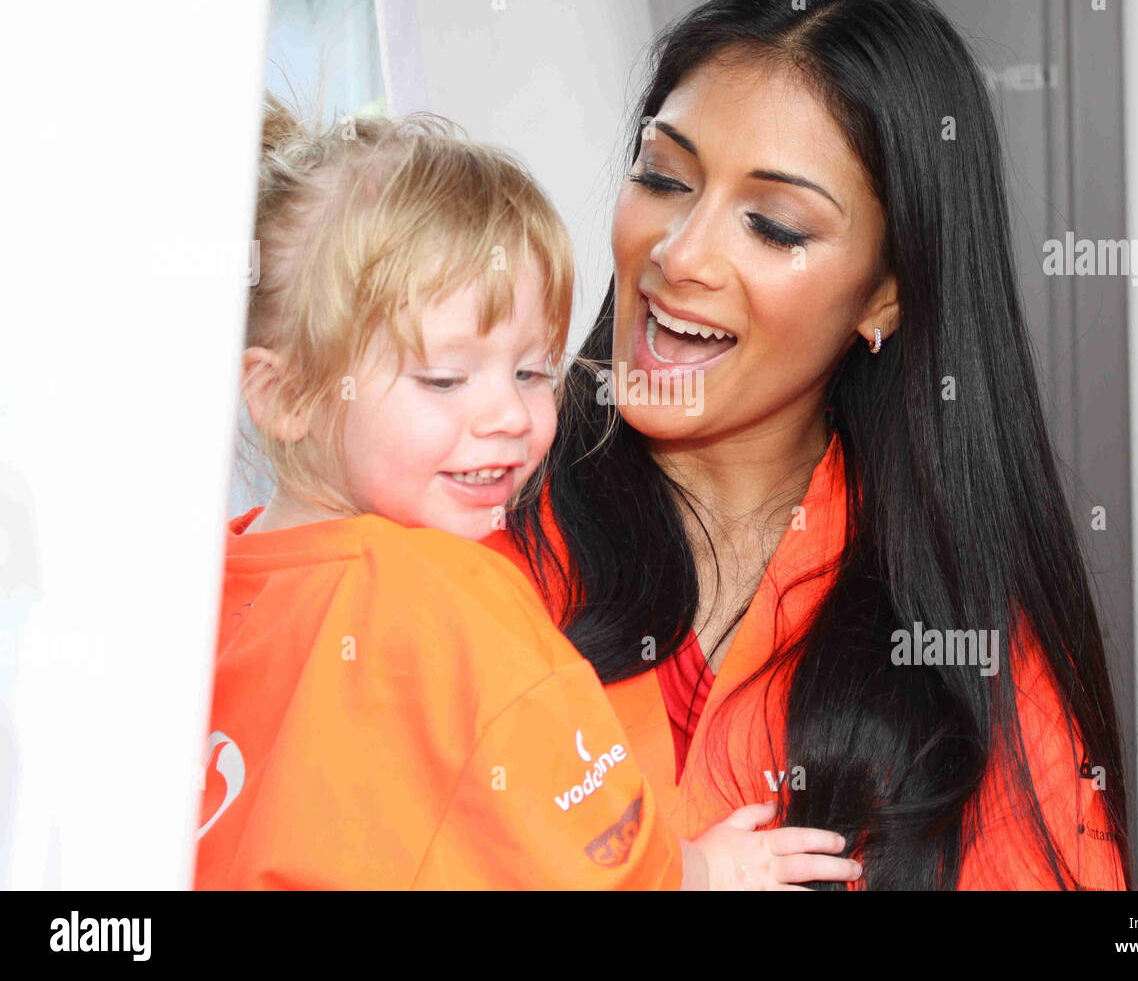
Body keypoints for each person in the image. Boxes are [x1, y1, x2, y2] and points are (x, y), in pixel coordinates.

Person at [487, 0, 1134, 890]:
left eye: (776, 226)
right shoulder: (474, 525)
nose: (680, 254)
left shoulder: (964, 654)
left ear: (887, 294)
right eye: (663, 177)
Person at [193, 98, 862, 890]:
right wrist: (703, 873)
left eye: (533, 371)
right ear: (286, 395)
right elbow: (590, 841)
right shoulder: (455, 590)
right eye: (444, 379)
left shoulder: (209, 592)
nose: (509, 416)